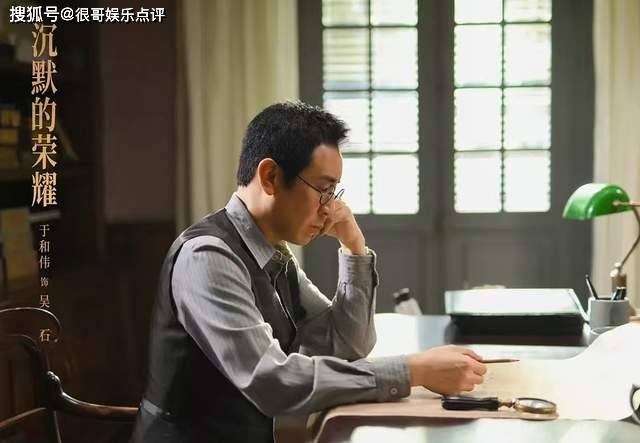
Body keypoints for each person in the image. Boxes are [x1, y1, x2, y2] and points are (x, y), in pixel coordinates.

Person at [130, 101, 486, 443]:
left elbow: (348, 345)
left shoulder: (274, 254)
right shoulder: (208, 257)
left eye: (334, 192)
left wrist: (354, 247)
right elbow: (273, 381)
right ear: (270, 177)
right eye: (323, 190)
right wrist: (412, 371)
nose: (332, 208)